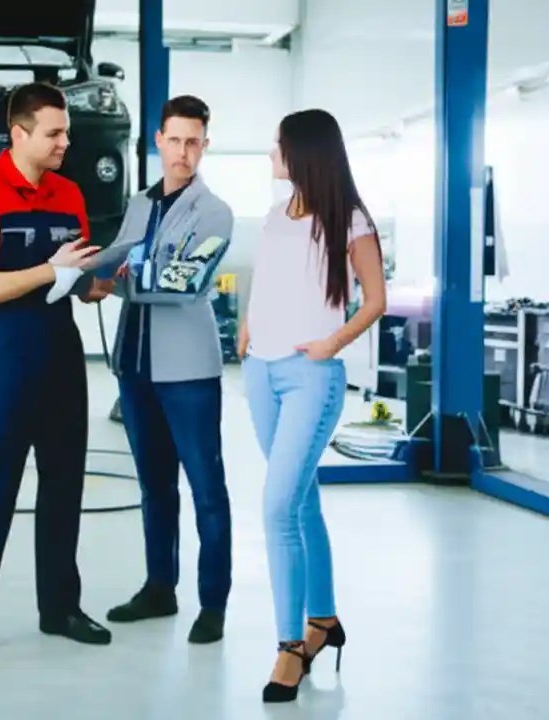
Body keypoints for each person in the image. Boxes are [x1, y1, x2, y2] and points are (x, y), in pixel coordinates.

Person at [0, 82, 115, 667]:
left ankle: (60, 607)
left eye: (67, 131)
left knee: (64, 487)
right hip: (9, 357)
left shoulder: (69, 194)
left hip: (64, 353)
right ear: (20, 134)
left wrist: (99, 281)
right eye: (55, 133)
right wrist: (47, 270)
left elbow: (81, 283)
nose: (67, 141)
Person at [238, 108, 387, 702]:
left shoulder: (349, 219)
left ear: (303, 152)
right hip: (260, 373)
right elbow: (269, 281)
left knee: (277, 508)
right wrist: (248, 325)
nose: (271, 154)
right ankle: (323, 620)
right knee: (300, 503)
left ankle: (289, 650)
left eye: (278, 145)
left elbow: (375, 299)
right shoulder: (276, 217)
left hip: (311, 376)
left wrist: (332, 343)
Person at [93, 95, 236, 644]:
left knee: (206, 488)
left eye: (193, 141)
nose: (183, 152)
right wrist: (104, 273)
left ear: (205, 144)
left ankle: (213, 603)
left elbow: (185, 283)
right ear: (158, 140)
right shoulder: (137, 204)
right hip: (136, 366)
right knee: (155, 486)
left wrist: (113, 278)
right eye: (174, 140)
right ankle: (159, 588)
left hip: (188, 373)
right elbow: (125, 260)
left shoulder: (214, 212)